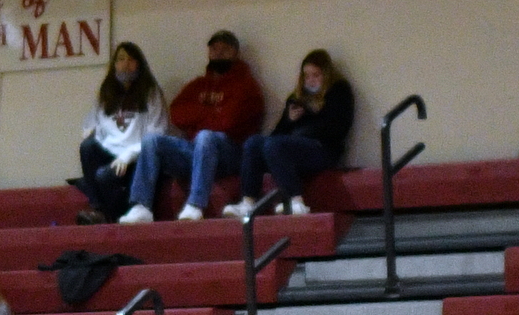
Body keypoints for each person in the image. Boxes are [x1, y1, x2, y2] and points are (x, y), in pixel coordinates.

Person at [121, 31, 265, 223]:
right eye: (214, 49)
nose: (218, 53)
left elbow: (228, 122)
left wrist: (198, 116)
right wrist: (210, 113)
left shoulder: (247, 86)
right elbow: (177, 113)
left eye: (225, 49)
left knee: (206, 136)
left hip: (231, 154)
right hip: (198, 150)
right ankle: (141, 206)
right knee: (152, 141)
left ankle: (196, 204)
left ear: (235, 53)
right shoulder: (198, 85)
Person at [225, 50, 355, 218]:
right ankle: (248, 201)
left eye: (316, 75)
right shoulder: (297, 97)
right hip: (290, 147)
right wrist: (289, 119)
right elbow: (277, 133)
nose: (311, 80)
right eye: (307, 76)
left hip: (323, 149)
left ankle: (295, 200)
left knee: (276, 145)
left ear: (326, 75)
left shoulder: (338, 91)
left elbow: (338, 128)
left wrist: (311, 114)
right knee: (254, 143)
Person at [73, 43, 167, 224]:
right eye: (121, 59)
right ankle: (97, 209)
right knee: (87, 147)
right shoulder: (106, 93)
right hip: (111, 151)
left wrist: (128, 155)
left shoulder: (151, 92)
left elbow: (157, 132)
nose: (125, 64)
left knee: (103, 176)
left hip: (136, 156)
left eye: (131, 60)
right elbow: (94, 126)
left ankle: (111, 217)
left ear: (139, 64)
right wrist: (90, 132)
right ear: (114, 64)